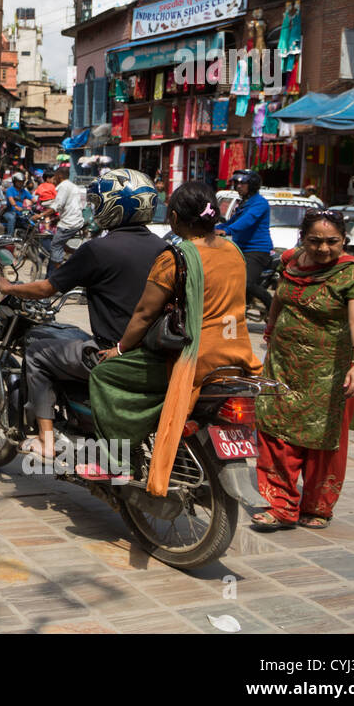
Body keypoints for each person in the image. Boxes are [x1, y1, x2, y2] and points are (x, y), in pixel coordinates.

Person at [91, 182, 261, 485]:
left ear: (173, 218)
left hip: (195, 361)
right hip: (237, 355)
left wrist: (118, 349)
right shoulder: (234, 250)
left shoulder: (175, 258)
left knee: (105, 376)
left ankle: (118, 461)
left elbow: (144, 313)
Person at [0, 168, 166, 461]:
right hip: (152, 355)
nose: (94, 208)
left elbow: (47, 288)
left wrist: (10, 286)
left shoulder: (98, 250)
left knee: (37, 350)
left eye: (98, 202)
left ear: (114, 206)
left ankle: (46, 440)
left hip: (111, 354)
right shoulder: (164, 248)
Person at [251, 209, 354, 530]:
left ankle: (317, 506)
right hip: (283, 364)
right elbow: (280, 295)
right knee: (275, 430)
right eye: (315, 241)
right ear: (302, 239)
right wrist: (271, 325)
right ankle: (281, 506)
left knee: (322, 438)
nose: (323, 248)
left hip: (328, 373)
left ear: (344, 240)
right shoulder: (291, 261)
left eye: (332, 241)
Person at [216, 168, 273, 313]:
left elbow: (247, 221)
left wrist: (226, 231)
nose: (238, 186)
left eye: (242, 183)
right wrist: (210, 227)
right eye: (236, 183)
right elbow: (231, 222)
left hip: (256, 251)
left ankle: (273, 309)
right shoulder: (244, 203)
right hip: (239, 249)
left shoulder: (260, 203)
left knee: (246, 283)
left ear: (252, 185)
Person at [46, 166, 87, 270]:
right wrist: (56, 219)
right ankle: (78, 254)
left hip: (69, 223)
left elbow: (57, 205)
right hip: (75, 221)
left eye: (55, 176)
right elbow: (69, 206)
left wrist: (40, 215)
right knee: (61, 244)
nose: (54, 178)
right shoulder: (73, 186)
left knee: (55, 245)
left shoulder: (64, 186)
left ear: (59, 176)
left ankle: (59, 273)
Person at [2, 172, 35, 236]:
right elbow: (11, 200)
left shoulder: (24, 191)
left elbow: (33, 199)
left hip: (21, 212)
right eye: (18, 181)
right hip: (10, 211)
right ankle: (10, 237)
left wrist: (38, 204)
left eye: (22, 181)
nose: (20, 183)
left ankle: (28, 238)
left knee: (32, 218)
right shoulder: (10, 190)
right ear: (14, 181)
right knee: (12, 218)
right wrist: (16, 206)